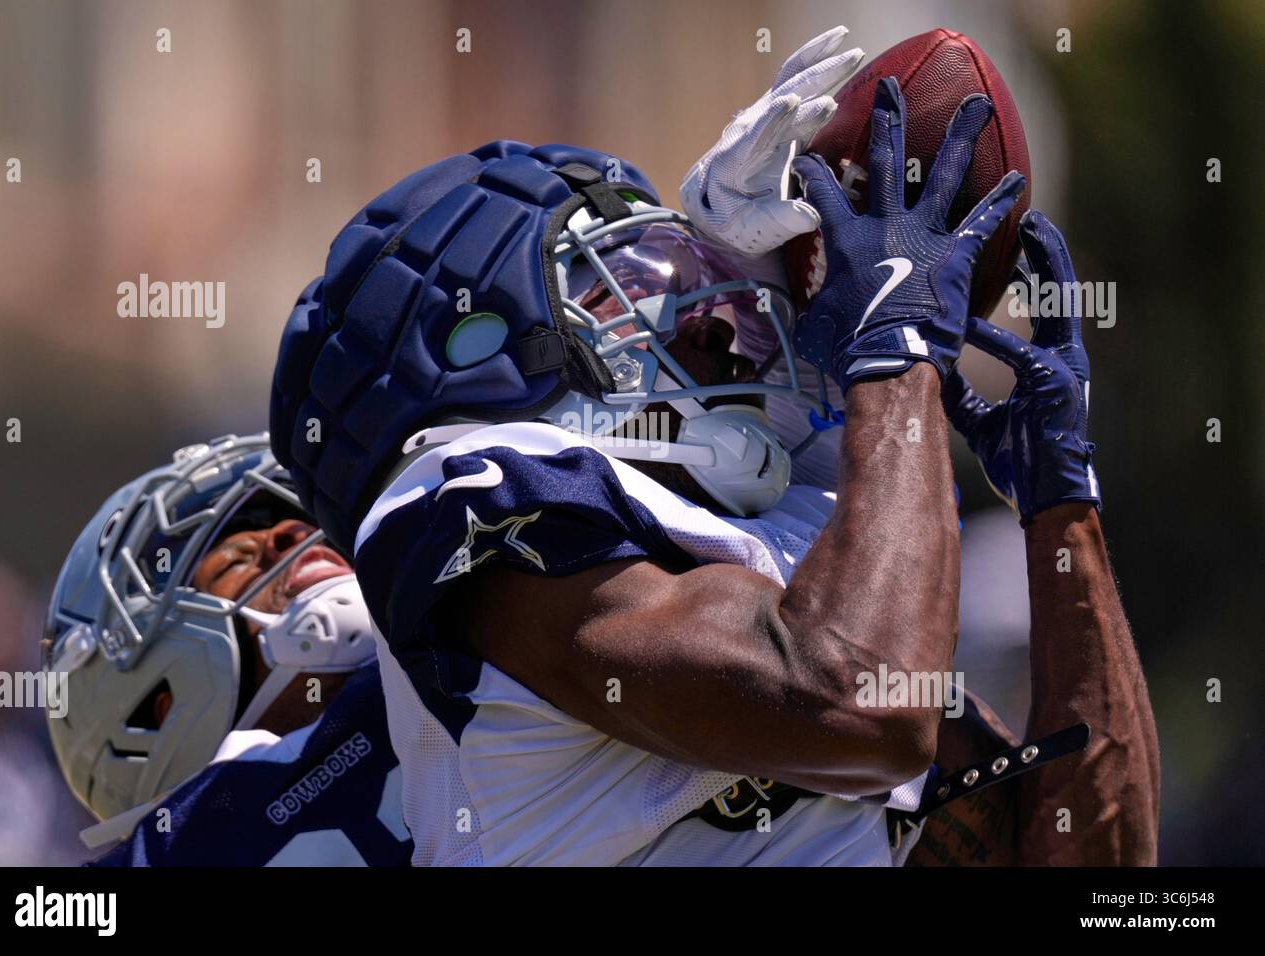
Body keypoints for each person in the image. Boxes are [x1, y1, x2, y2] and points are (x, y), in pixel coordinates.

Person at [267, 34, 1157, 865]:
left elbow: (1101, 873)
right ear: (482, 348)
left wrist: (1060, 505)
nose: (693, 296)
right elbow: (854, 701)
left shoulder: (792, 540)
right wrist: (895, 350)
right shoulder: (479, 506)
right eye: (619, 275)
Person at [43, 434, 411, 865]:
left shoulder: (454, 657)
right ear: (163, 708)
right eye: (238, 558)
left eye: (307, 524)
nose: (298, 530)